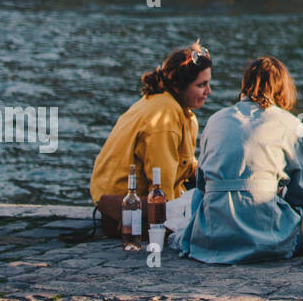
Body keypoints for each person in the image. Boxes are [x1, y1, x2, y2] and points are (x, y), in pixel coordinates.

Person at [179, 56, 303, 263]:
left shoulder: (215, 120)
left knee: (198, 194)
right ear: (282, 88)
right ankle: (274, 240)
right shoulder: (290, 123)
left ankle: (199, 234)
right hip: (267, 239)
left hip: (214, 236)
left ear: (245, 86)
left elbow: (203, 184)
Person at [90, 40, 213, 204]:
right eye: (201, 85)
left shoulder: (176, 109)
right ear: (178, 86)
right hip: (124, 206)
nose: (208, 91)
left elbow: (185, 166)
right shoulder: (165, 118)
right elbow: (162, 186)